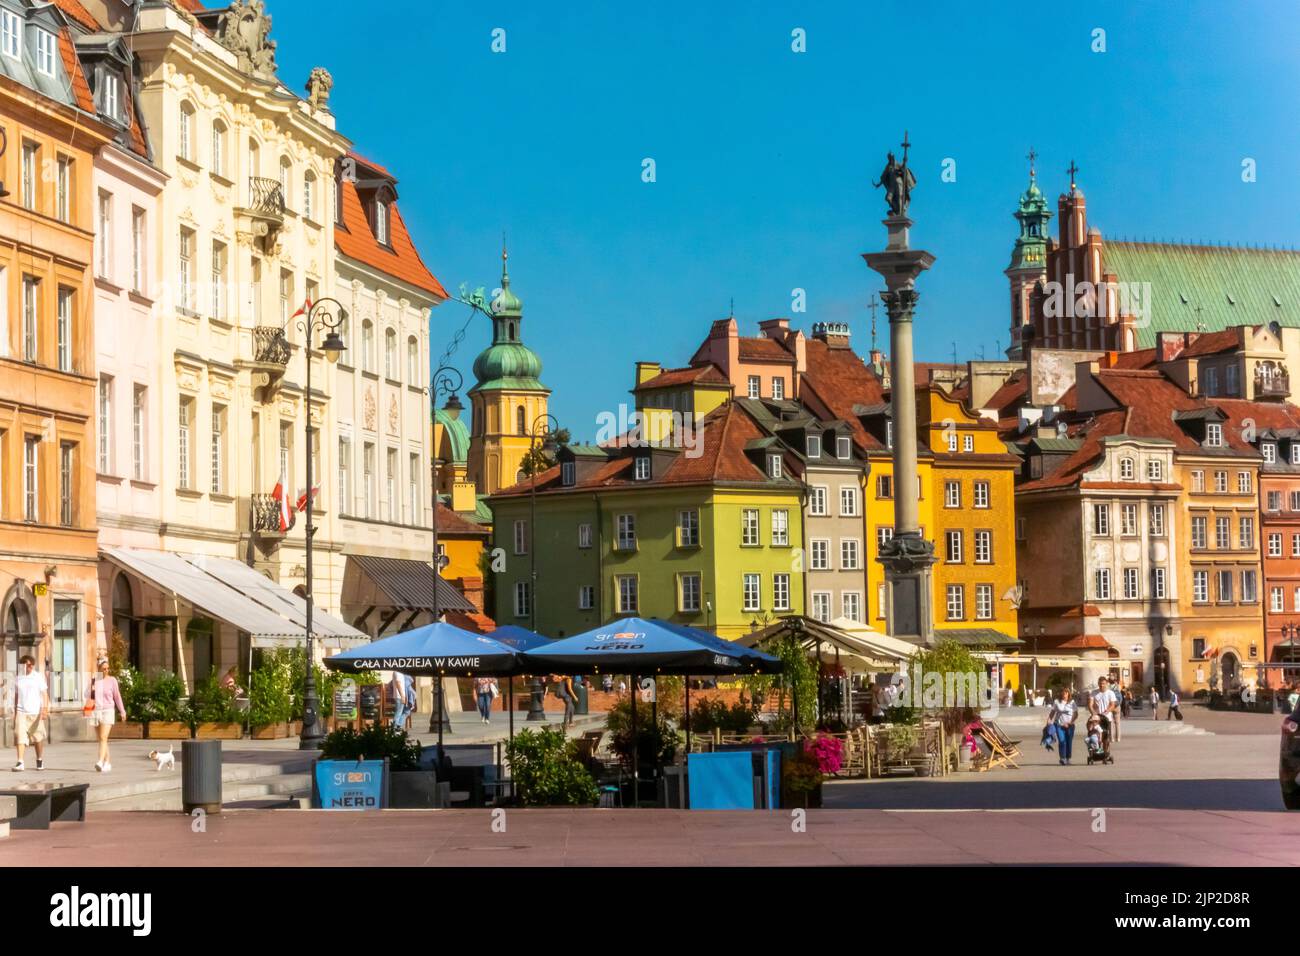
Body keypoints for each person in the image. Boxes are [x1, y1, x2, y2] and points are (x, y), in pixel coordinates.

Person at [87, 657, 127, 772]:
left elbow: (117, 696)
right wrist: (92, 687)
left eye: (107, 668)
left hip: (108, 711)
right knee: (101, 738)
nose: (106, 671)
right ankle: (108, 762)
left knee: (104, 737)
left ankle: (100, 761)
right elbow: (88, 695)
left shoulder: (112, 680)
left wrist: (122, 711)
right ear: (99, 668)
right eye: (104, 669)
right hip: (96, 710)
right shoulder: (95, 679)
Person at [12, 655, 48, 772]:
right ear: (23, 665)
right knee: (20, 735)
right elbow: (16, 696)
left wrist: (44, 709)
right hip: (21, 711)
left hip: (35, 711)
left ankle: (39, 759)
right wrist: (15, 712)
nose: (31, 667)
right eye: (28, 665)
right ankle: (20, 761)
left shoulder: (37, 677)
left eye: (32, 664)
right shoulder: (18, 678)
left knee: (37, 738)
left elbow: (44, 694)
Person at [1048, 688, 1077, 765]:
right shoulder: (1057, 701)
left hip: (1070, 725)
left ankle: (1068, 758)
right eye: (1063, 693)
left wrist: (1070, 722)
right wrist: (1048, 722)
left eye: (1066, 693)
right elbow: (1052, 712)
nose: (1064, 694)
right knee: (1062, 741)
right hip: (1059, 725)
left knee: (1068, 742)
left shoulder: (1072, 702)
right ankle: (1062, 758)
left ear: (1068, 694)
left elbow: (1076, 714)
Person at [1089, 676, 1119, 744]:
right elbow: (1090, 704)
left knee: (1105, 736)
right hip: (1096, 717)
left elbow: (1112, 705)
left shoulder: (1110, 693)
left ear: (1106, 684)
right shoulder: (1094, 692)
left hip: (1106, 717)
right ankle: (1095, 748)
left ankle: (1105, 750)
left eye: (1103, 683)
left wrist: (1108, 710)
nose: (1101, 685)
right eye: (1100, 683)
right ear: (1098, 683)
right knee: (1094, 733)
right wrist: (1093, 712)